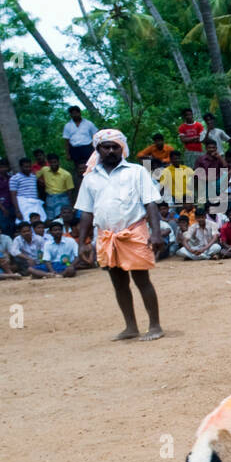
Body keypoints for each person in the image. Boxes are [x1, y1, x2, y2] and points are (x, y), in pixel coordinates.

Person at [74, 129, 167, 340]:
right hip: (106, 236)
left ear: (122, 148)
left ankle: (155, 326)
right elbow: (87, 212)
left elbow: (150, 203)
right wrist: (82, 242)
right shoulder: (90, 179)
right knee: (118, 283)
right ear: (98, 150)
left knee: (142, 280)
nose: (110, 150)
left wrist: (156, 233)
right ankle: (130, 327)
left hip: (134, 232)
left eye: (115, 146)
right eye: (106, 147)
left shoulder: (136, 171)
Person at [37, 153, 75, 221]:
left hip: (62, 197)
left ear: (58, 162)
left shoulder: (66, 174)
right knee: (50, 217)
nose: (53, 164)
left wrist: (71, 204)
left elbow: (70, 190)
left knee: (61, 217)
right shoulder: (44, 170)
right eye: (51, 162)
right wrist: (41, 182)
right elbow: (35, 177)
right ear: (48, 163)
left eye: (55, 162)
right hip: (50, 197)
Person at [63, 106, 98, 175]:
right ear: (70, 115)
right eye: (72, 113)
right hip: (74, 149)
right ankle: (80, 182)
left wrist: (95, 149)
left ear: (80, 113)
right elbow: (66, 140)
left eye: (76, 113)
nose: (75, 115)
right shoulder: (68, 126)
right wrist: (67, 154)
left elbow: (95, 136)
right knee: (77, 167)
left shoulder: (88, 123)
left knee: (90, 165)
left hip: (87, 147)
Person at [9, 158, 45, 223]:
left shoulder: (33, 177)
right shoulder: (14, 178)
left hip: (35, 203)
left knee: (39, 221)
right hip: (23, 203)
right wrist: (17, 210)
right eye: (26, 167)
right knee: (25, 222)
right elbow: (13, 195)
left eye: (29, 167)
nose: (28, 168)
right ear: (21, 167)